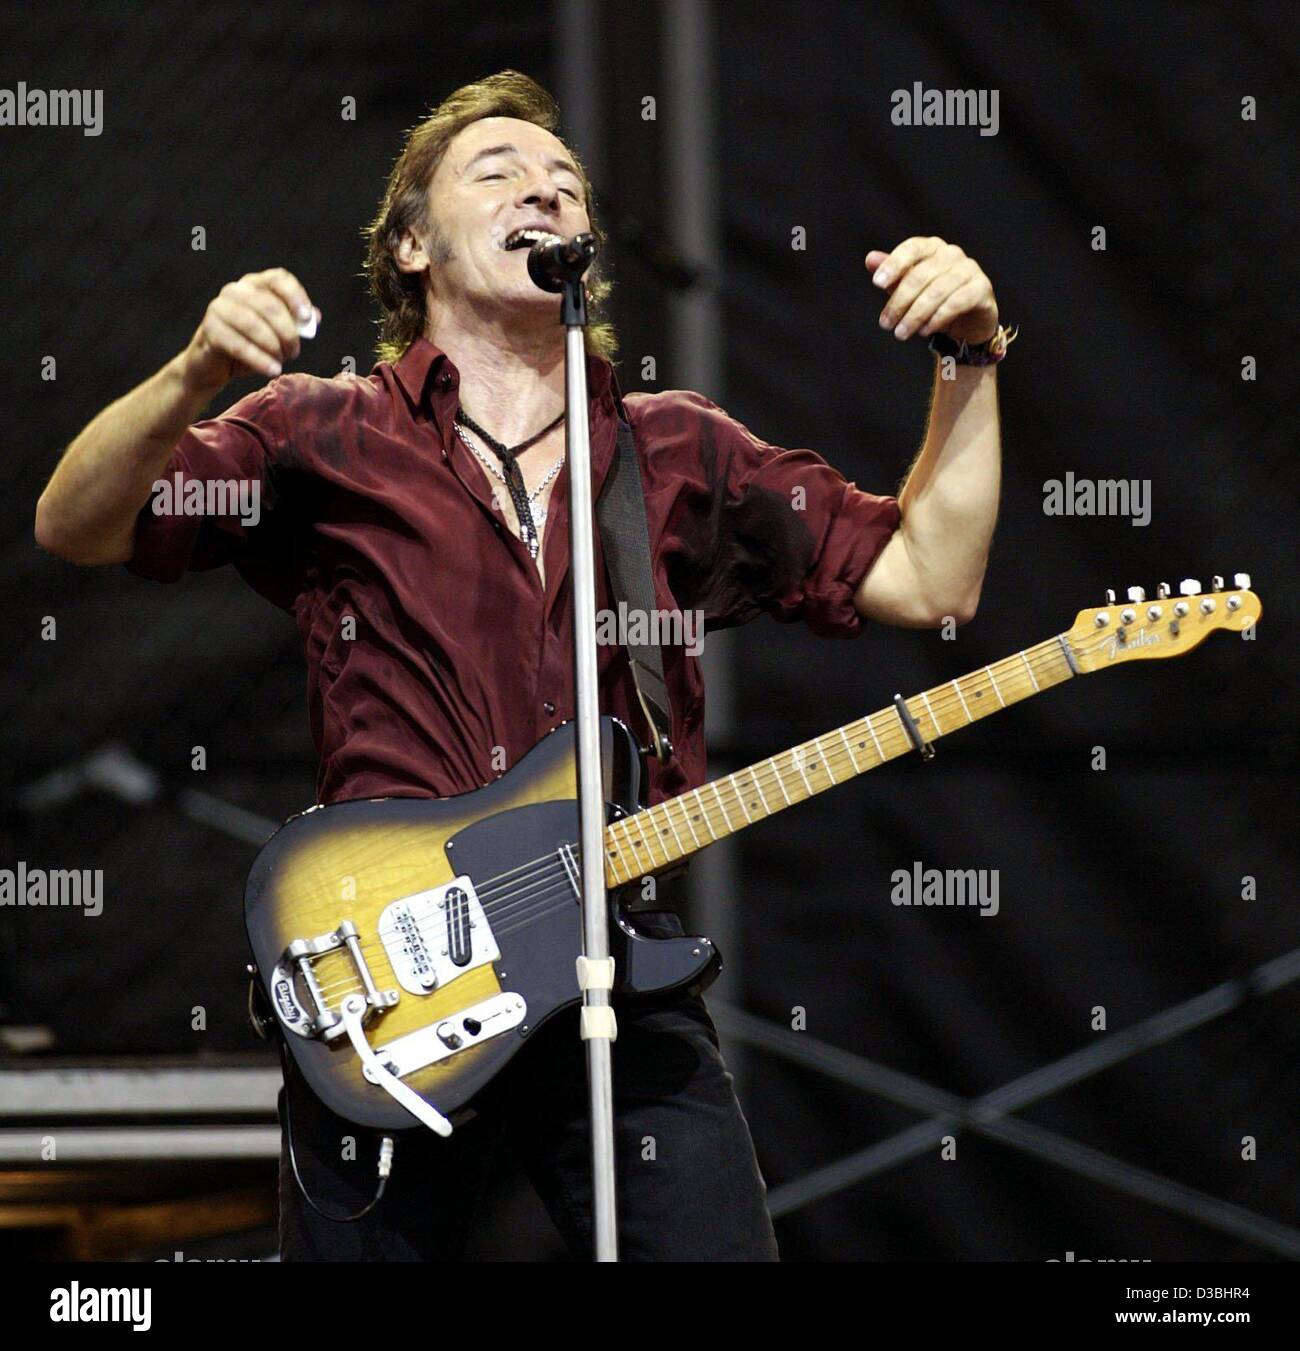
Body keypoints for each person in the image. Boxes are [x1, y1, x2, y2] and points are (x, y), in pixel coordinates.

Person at [34, 70, 1003, 1261]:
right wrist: (192, 375)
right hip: (397, 974)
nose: (542, 189)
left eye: (564, 183)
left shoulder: (676, 448)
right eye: (497, 174)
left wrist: (968, 357)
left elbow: (927, 578)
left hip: (614, 969)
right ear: (409, 246)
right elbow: (76, 525)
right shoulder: (319, 431)